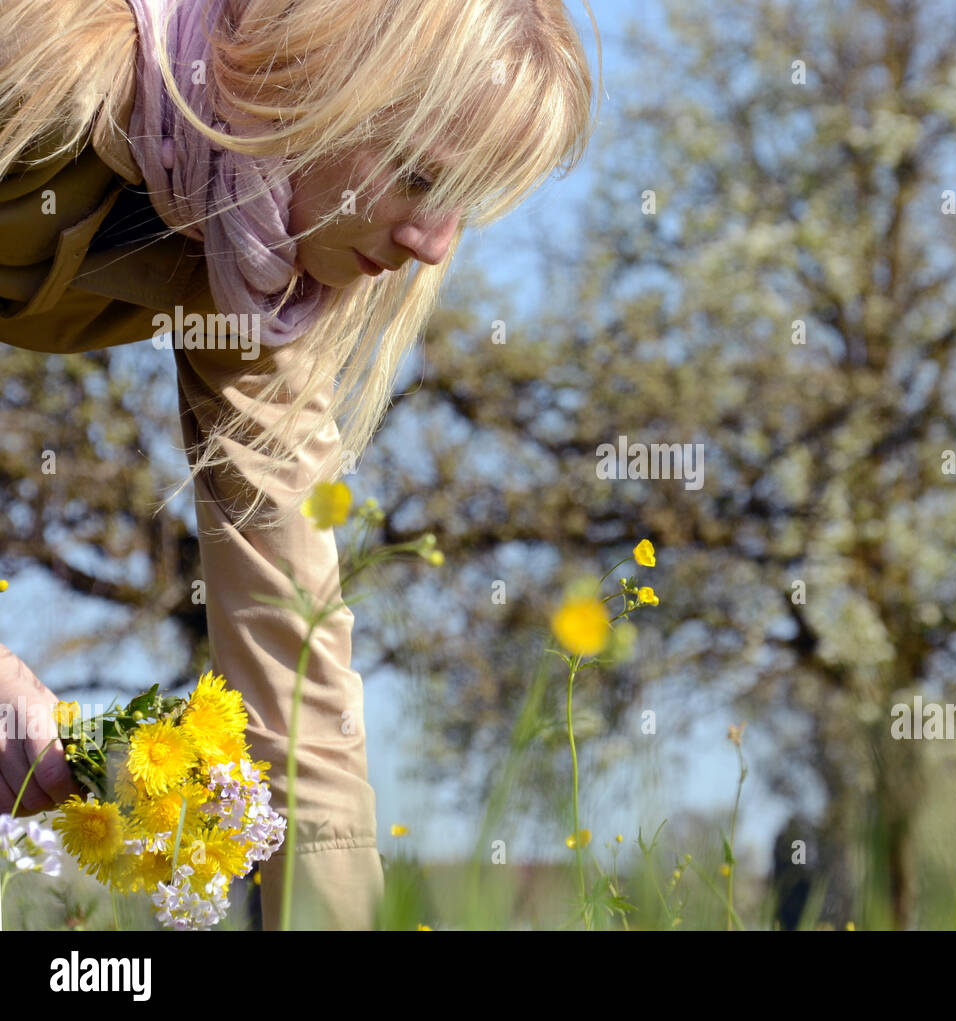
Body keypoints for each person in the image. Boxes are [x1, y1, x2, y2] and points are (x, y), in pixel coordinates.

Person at [0, 0, 598, 929]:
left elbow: (299, 673)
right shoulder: (46, 73)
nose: (432, 245)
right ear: (319, 81)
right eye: (418, 175)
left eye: (462, 205)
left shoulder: (257, 270)